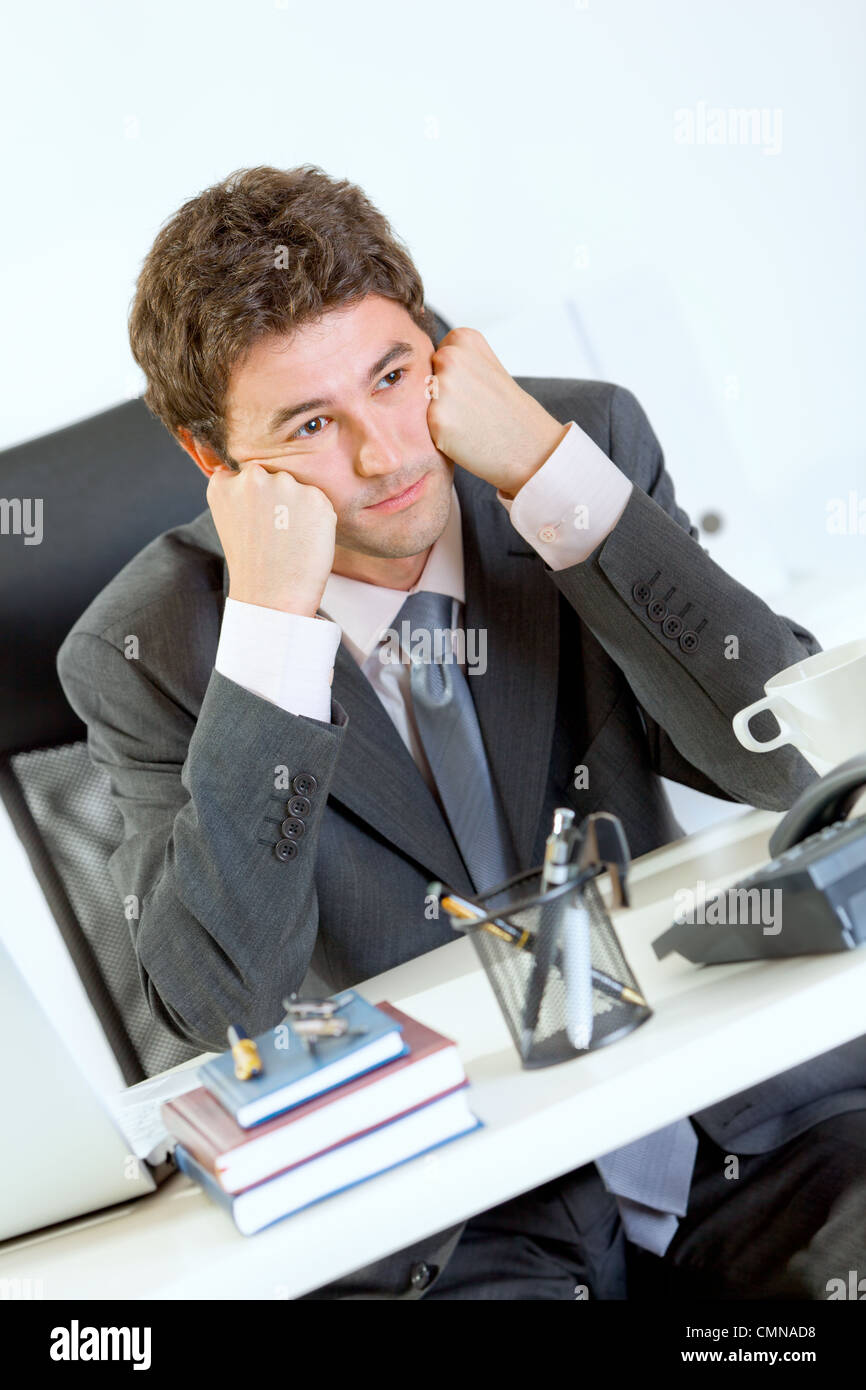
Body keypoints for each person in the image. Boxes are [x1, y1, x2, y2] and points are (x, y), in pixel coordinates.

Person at [58, 164, 866, 1300]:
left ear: (442, 349)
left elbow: (782, 751)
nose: (387, 454)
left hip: (749, 1136)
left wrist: (552, 479)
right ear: (216, 462)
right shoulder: (152, 648)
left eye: (393, 377)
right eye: (310, 426)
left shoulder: (574, 446)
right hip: (457, 1216)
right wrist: (274, 634)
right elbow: (222, 1000)